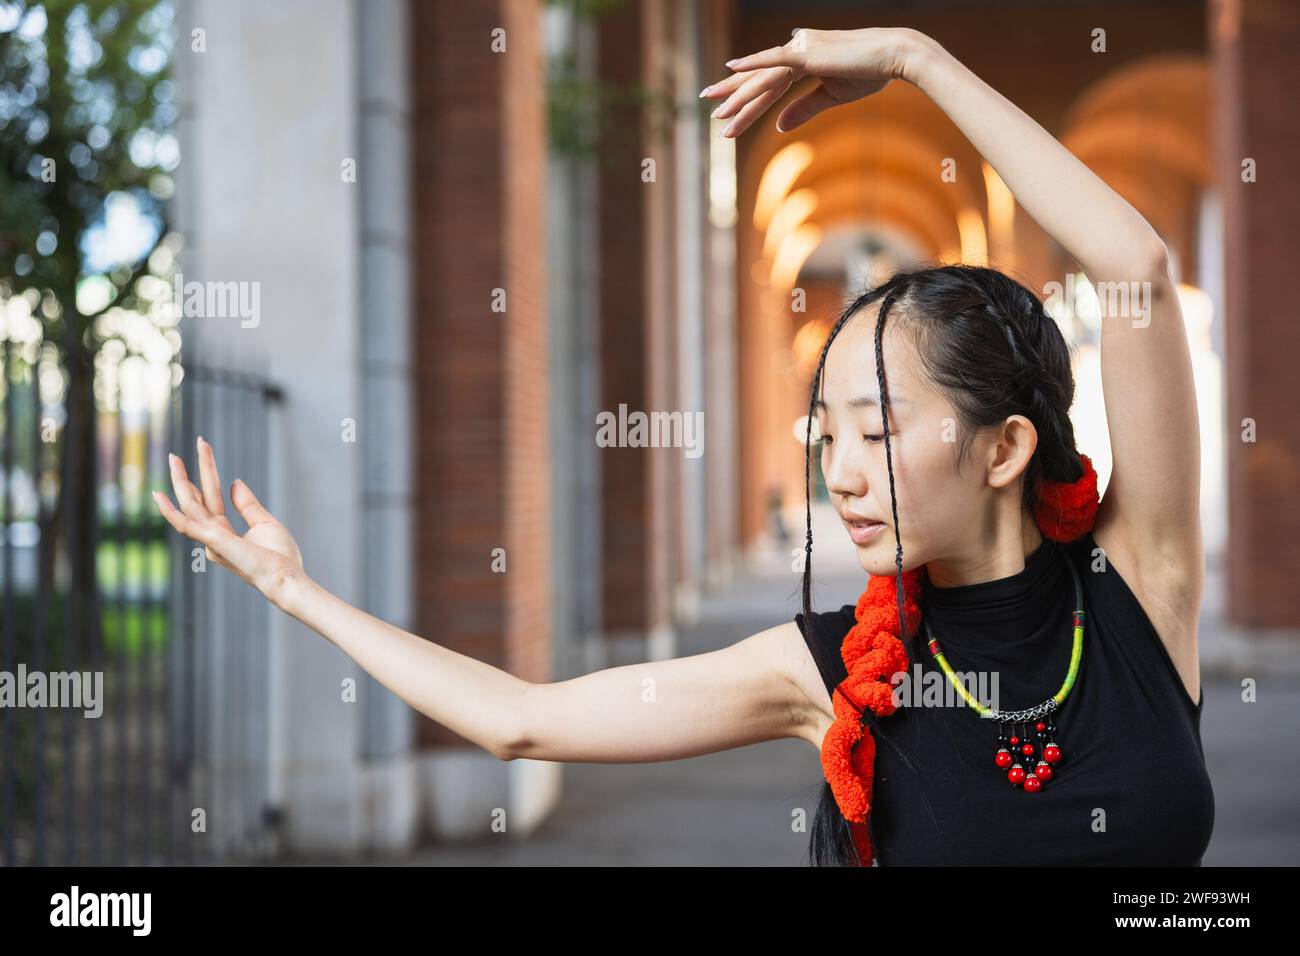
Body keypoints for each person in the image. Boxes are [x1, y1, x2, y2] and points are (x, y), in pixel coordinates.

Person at [152, 25, 1212, 866]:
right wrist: (296, 590)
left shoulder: (1136, 587)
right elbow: (521, 719)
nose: (839, 473)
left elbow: (1134, 262)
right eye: (825, 432)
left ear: (1003, 448)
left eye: (878, 431)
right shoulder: (834, 669)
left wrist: (911, 58)